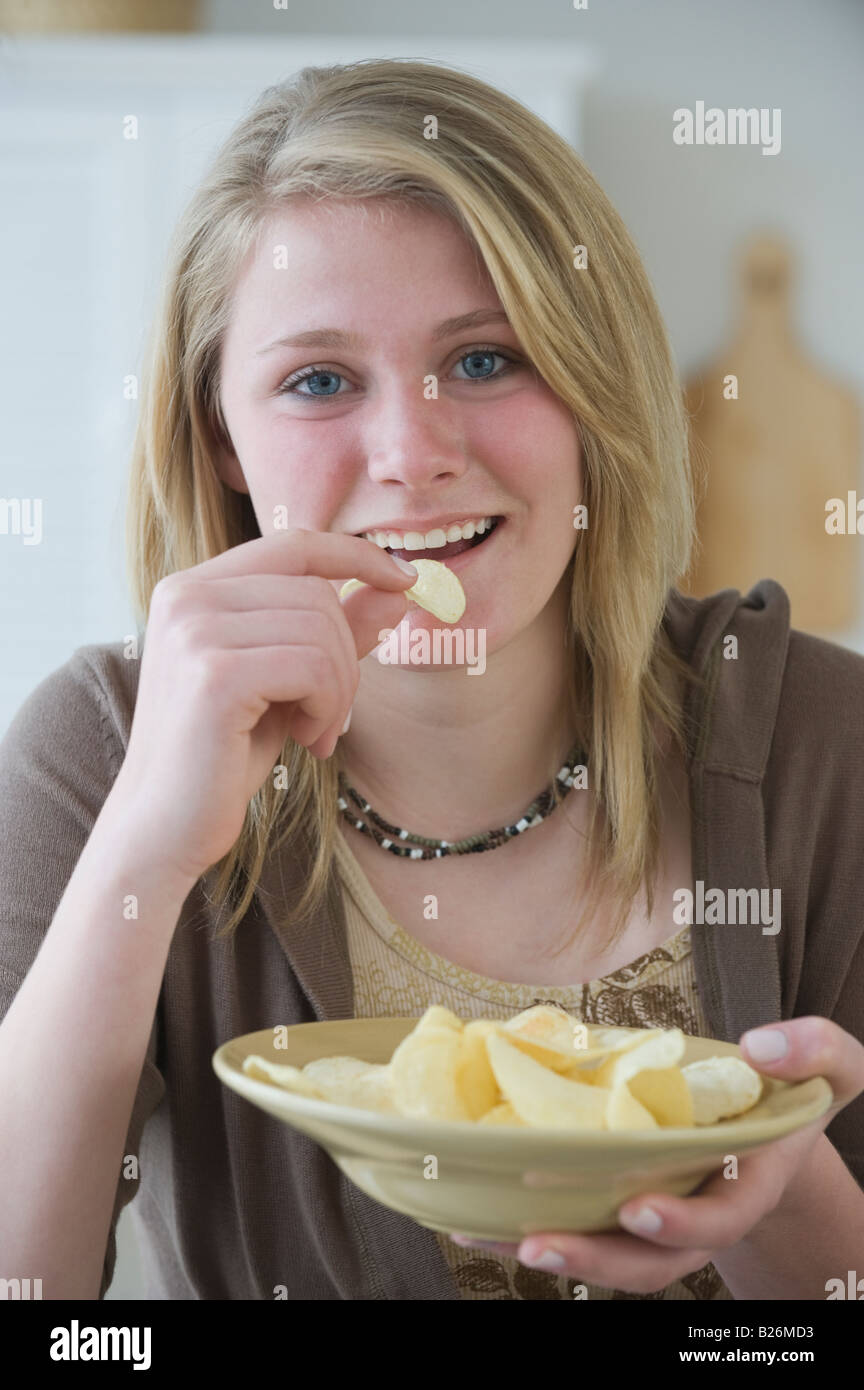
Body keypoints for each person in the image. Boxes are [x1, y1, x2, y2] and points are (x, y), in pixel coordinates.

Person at [1, 59, 862, 1303]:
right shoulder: (98, 753)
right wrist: (141, 856)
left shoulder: (823, 746)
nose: (412, 456)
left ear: (593, 388)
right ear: (221, 441)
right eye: (318, 381)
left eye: (484, 360)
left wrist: (781, 1199)